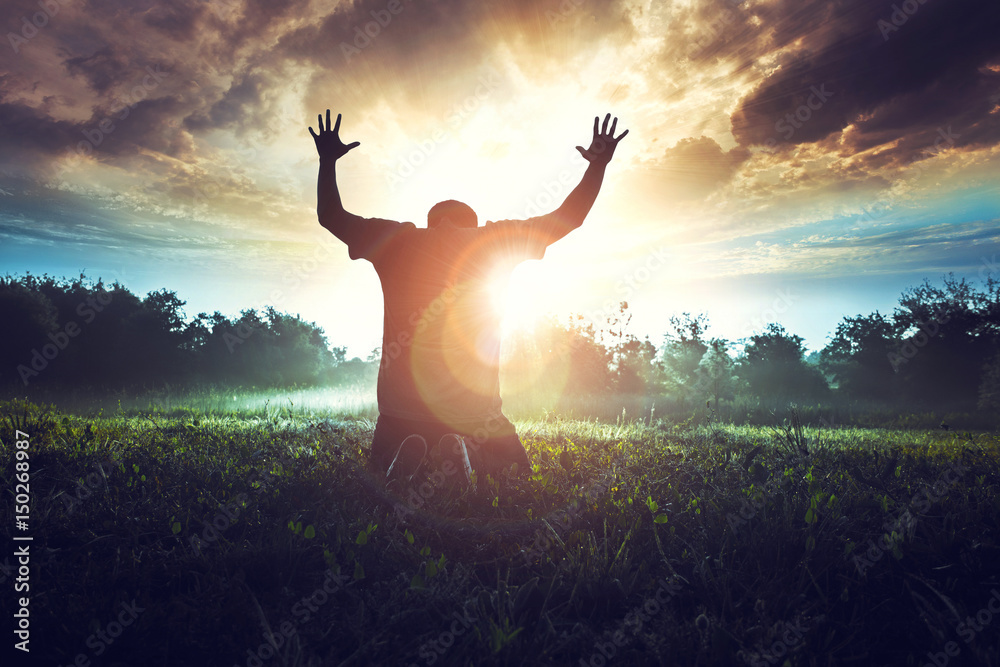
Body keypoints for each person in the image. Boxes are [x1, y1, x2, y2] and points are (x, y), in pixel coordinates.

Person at [309, 109, 628, 486]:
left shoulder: (397, 242)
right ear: (472, 224)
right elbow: (569, 218)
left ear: (431, 222)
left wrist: (327, 159)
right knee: (516, 479)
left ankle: (405, 460)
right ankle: (463, 456)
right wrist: (598, 165)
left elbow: (330, 216)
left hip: (400, 413)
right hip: (476, 415)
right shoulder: (492, 241)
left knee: (381, 473)